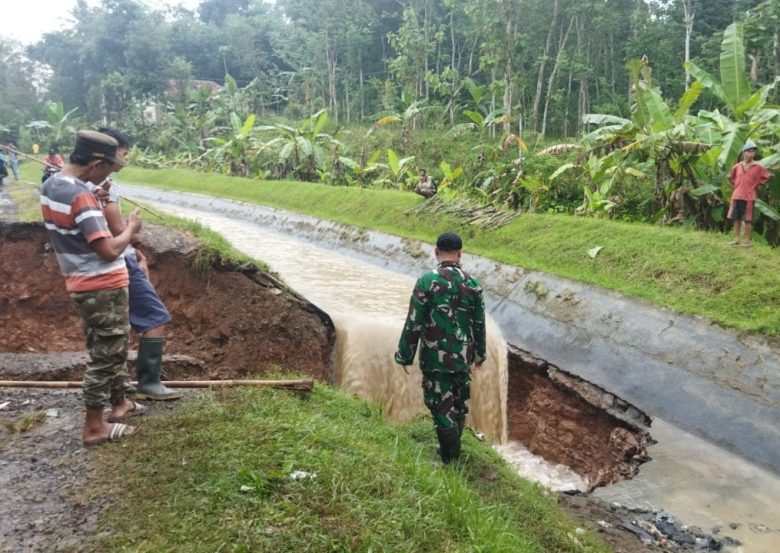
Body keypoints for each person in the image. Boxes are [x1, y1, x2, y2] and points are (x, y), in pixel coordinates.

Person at [40, 130, 146, 445]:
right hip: (103, 285)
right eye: (109, 168)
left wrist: (93, 204)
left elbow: (72, 221)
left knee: (104, 346)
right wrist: (130, 228)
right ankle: (95, 426)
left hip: (81, 284)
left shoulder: (53, 185)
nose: (109, 174)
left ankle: (121, 402)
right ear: (96, 164)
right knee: (108, 355)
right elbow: (110, 250)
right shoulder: (80, 196)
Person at [91, 126, 180, 401]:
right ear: (110, 152)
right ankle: (149, 383)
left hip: (103, 261)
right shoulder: (106, 187)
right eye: (123, 153)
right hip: (120, 259)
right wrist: (134, 233)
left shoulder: (81, 185)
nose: (125, 159)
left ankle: (120, 385)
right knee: (155, 317)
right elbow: (117, 227)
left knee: (115, 326)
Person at [394, 231, 486, 464]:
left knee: (440, 405)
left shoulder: (426, 281)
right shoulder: (473, 284)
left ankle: (449, 458)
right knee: (458, 403)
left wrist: (405, 355)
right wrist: (480, 354)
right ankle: (452, 449)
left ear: (436, 252)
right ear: (460, 254)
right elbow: (479, 323)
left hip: (436, 359)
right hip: (462, 358)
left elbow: (414, 321)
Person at [727, 139, 772, 248]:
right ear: (743, 153)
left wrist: (758, 184)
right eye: (749, 151)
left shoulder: (758, 166)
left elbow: (769, 176)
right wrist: (736, 186)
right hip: (736, 195)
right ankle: (737, 239)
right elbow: (729, 177)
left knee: (747, 220)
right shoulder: (737, 166)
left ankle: (747, 241)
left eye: (753, 151)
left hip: (749, 196)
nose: (751, 153)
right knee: (736, 218)